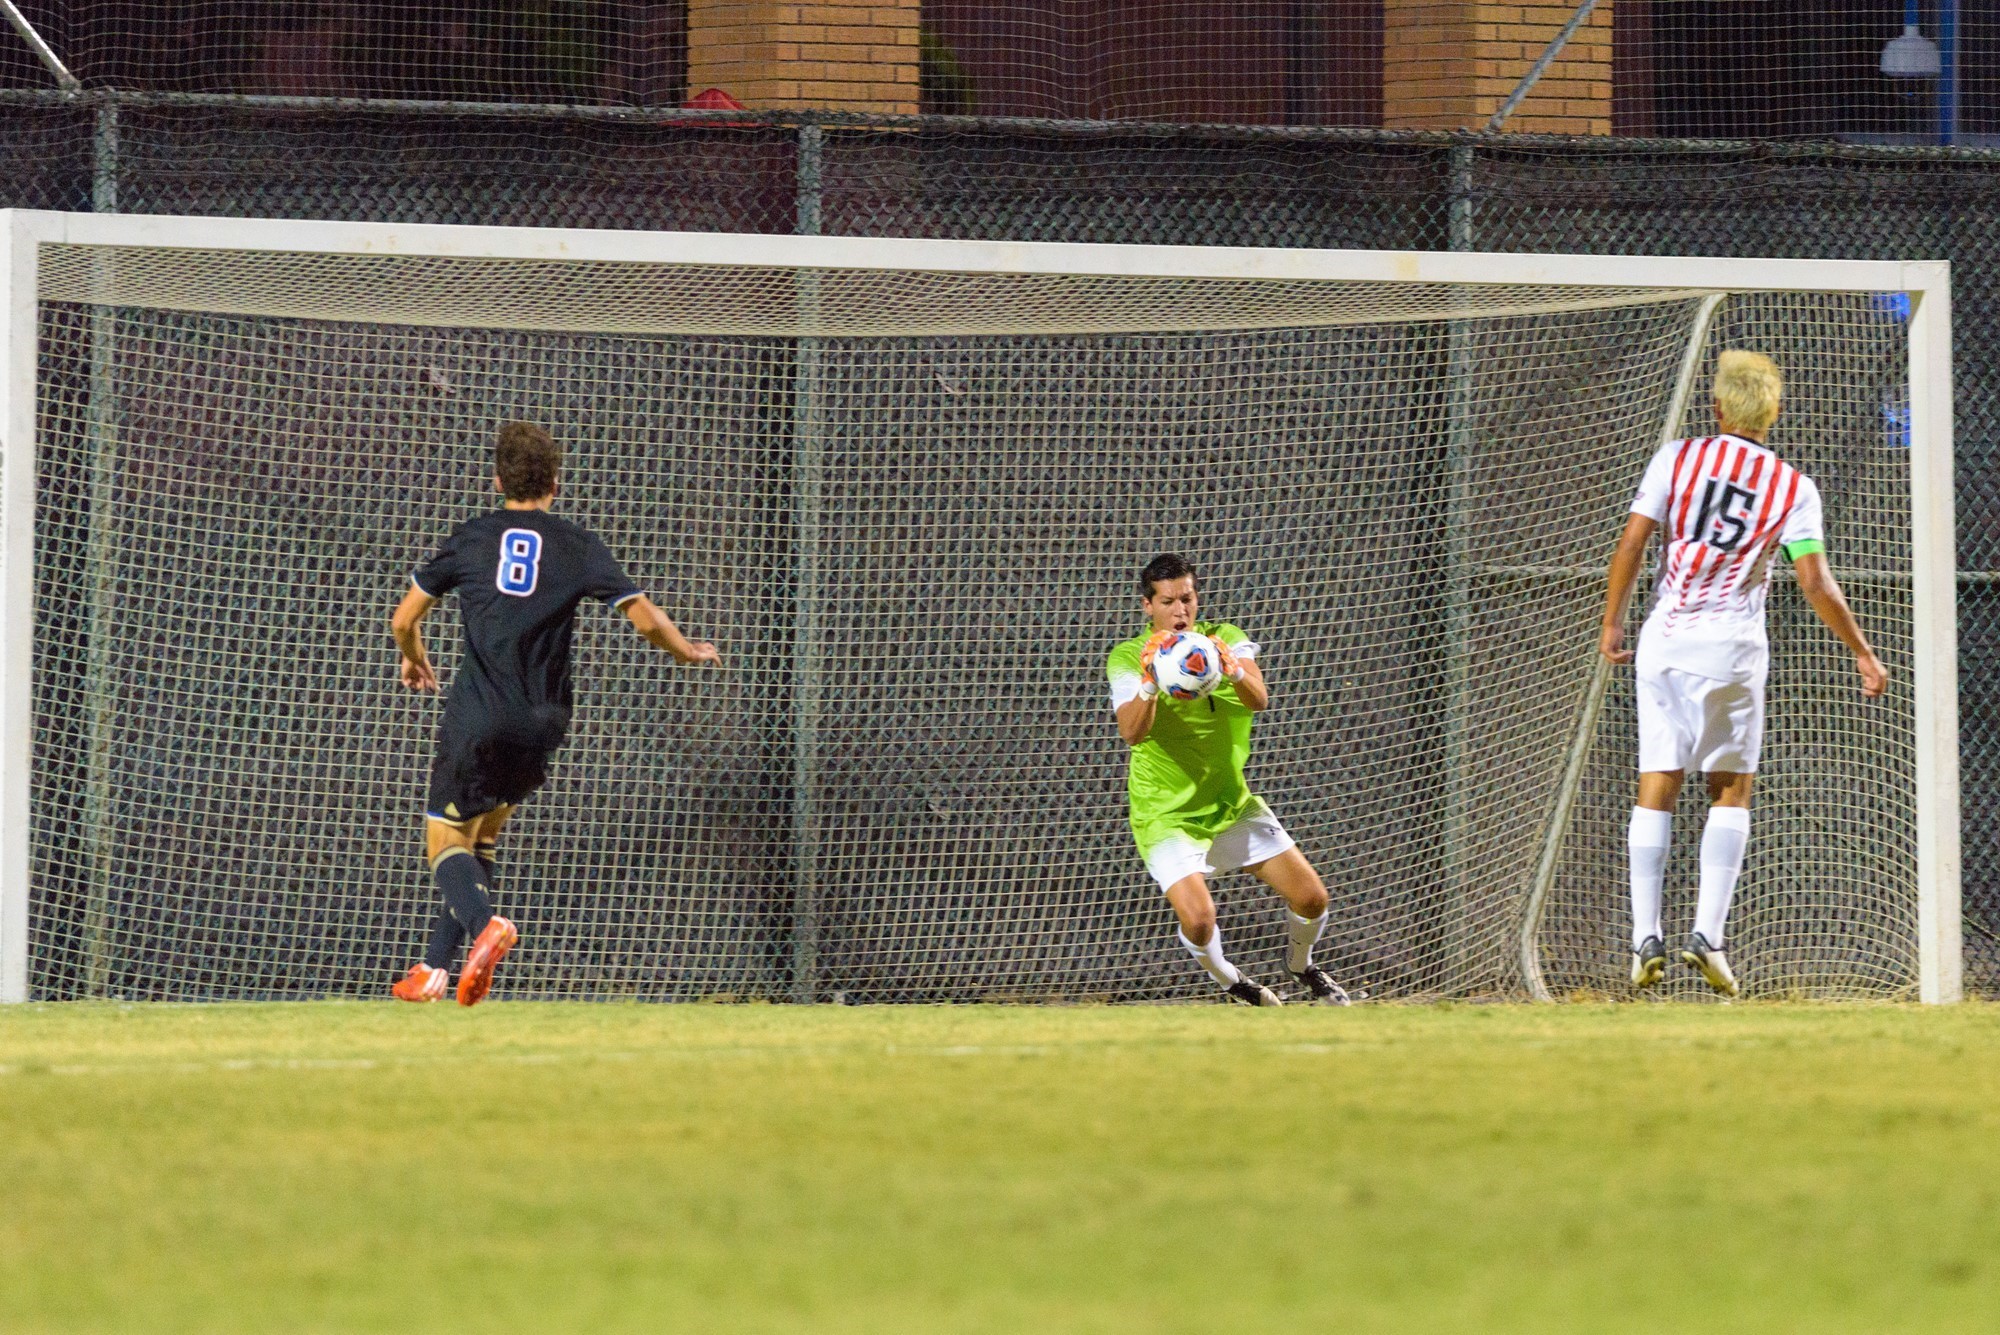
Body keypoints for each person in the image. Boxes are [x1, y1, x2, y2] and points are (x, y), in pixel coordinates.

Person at [389, 421, 719, 1005]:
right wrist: (687, 651)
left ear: (497, 481)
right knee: (482, 833)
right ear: (555, 484)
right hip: (544, 721)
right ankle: (433, 970)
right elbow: (644, 617)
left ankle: (486, 926)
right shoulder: (577, 544)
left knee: (444, 838)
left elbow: (403, 619)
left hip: (481, 714)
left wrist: (414, 658)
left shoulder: (472, 537)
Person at [1599, 350, 1886, 996]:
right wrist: (1862, 651)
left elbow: (1633, 542)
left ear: (1718, 406)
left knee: (1657, 781)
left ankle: (1645, 936)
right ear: (1774, 411)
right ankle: (1708, 935)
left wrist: (1613, 620)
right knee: (1729, 790)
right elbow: (1815, 581)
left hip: (1666, 640)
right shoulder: (1793, 487)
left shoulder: (1677, 458)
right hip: (1732, 649)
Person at [1106, 554, 1347, 1006]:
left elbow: (1259, 700)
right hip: (1166, 815)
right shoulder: (1127, 658)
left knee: (1312, 898)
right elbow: (1131, 733)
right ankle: (1233, 981)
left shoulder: (1225, 639)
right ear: (1147, 606)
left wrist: (1230, 667)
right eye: (1168, 602)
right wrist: (1151, 682)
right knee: (1200, 920)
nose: (1180, 610)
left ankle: (1301, 966)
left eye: (1187, 599)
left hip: (1231, 803)